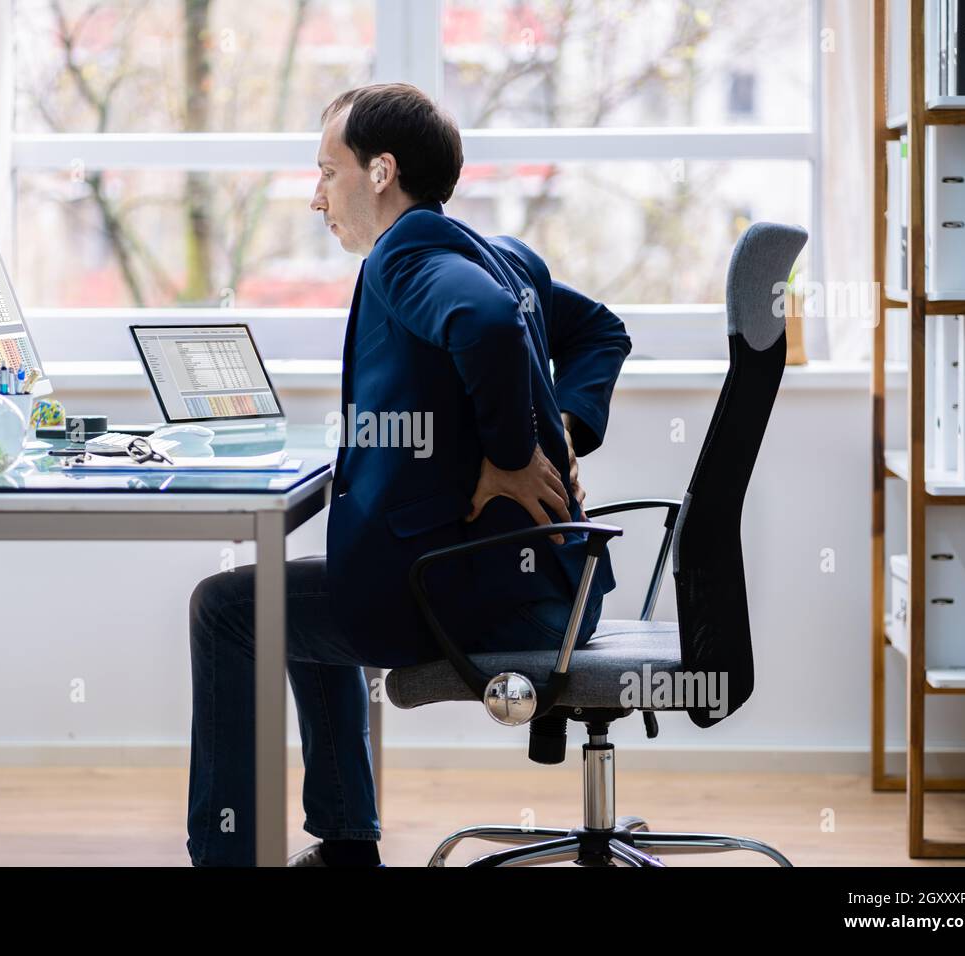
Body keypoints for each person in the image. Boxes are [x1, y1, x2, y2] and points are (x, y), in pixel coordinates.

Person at [187, 82, 632, 867]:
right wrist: (562, 427)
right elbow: (600, 330)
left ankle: (230, 858)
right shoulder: (500, 252)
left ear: (381, 171)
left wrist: (513, 452)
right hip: (552, 589)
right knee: (298, 592)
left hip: (476, 596)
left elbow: (485, 326)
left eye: (328, 171)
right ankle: (345, 843)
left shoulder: (408, 257)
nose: (316, 196)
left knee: (226, 607)